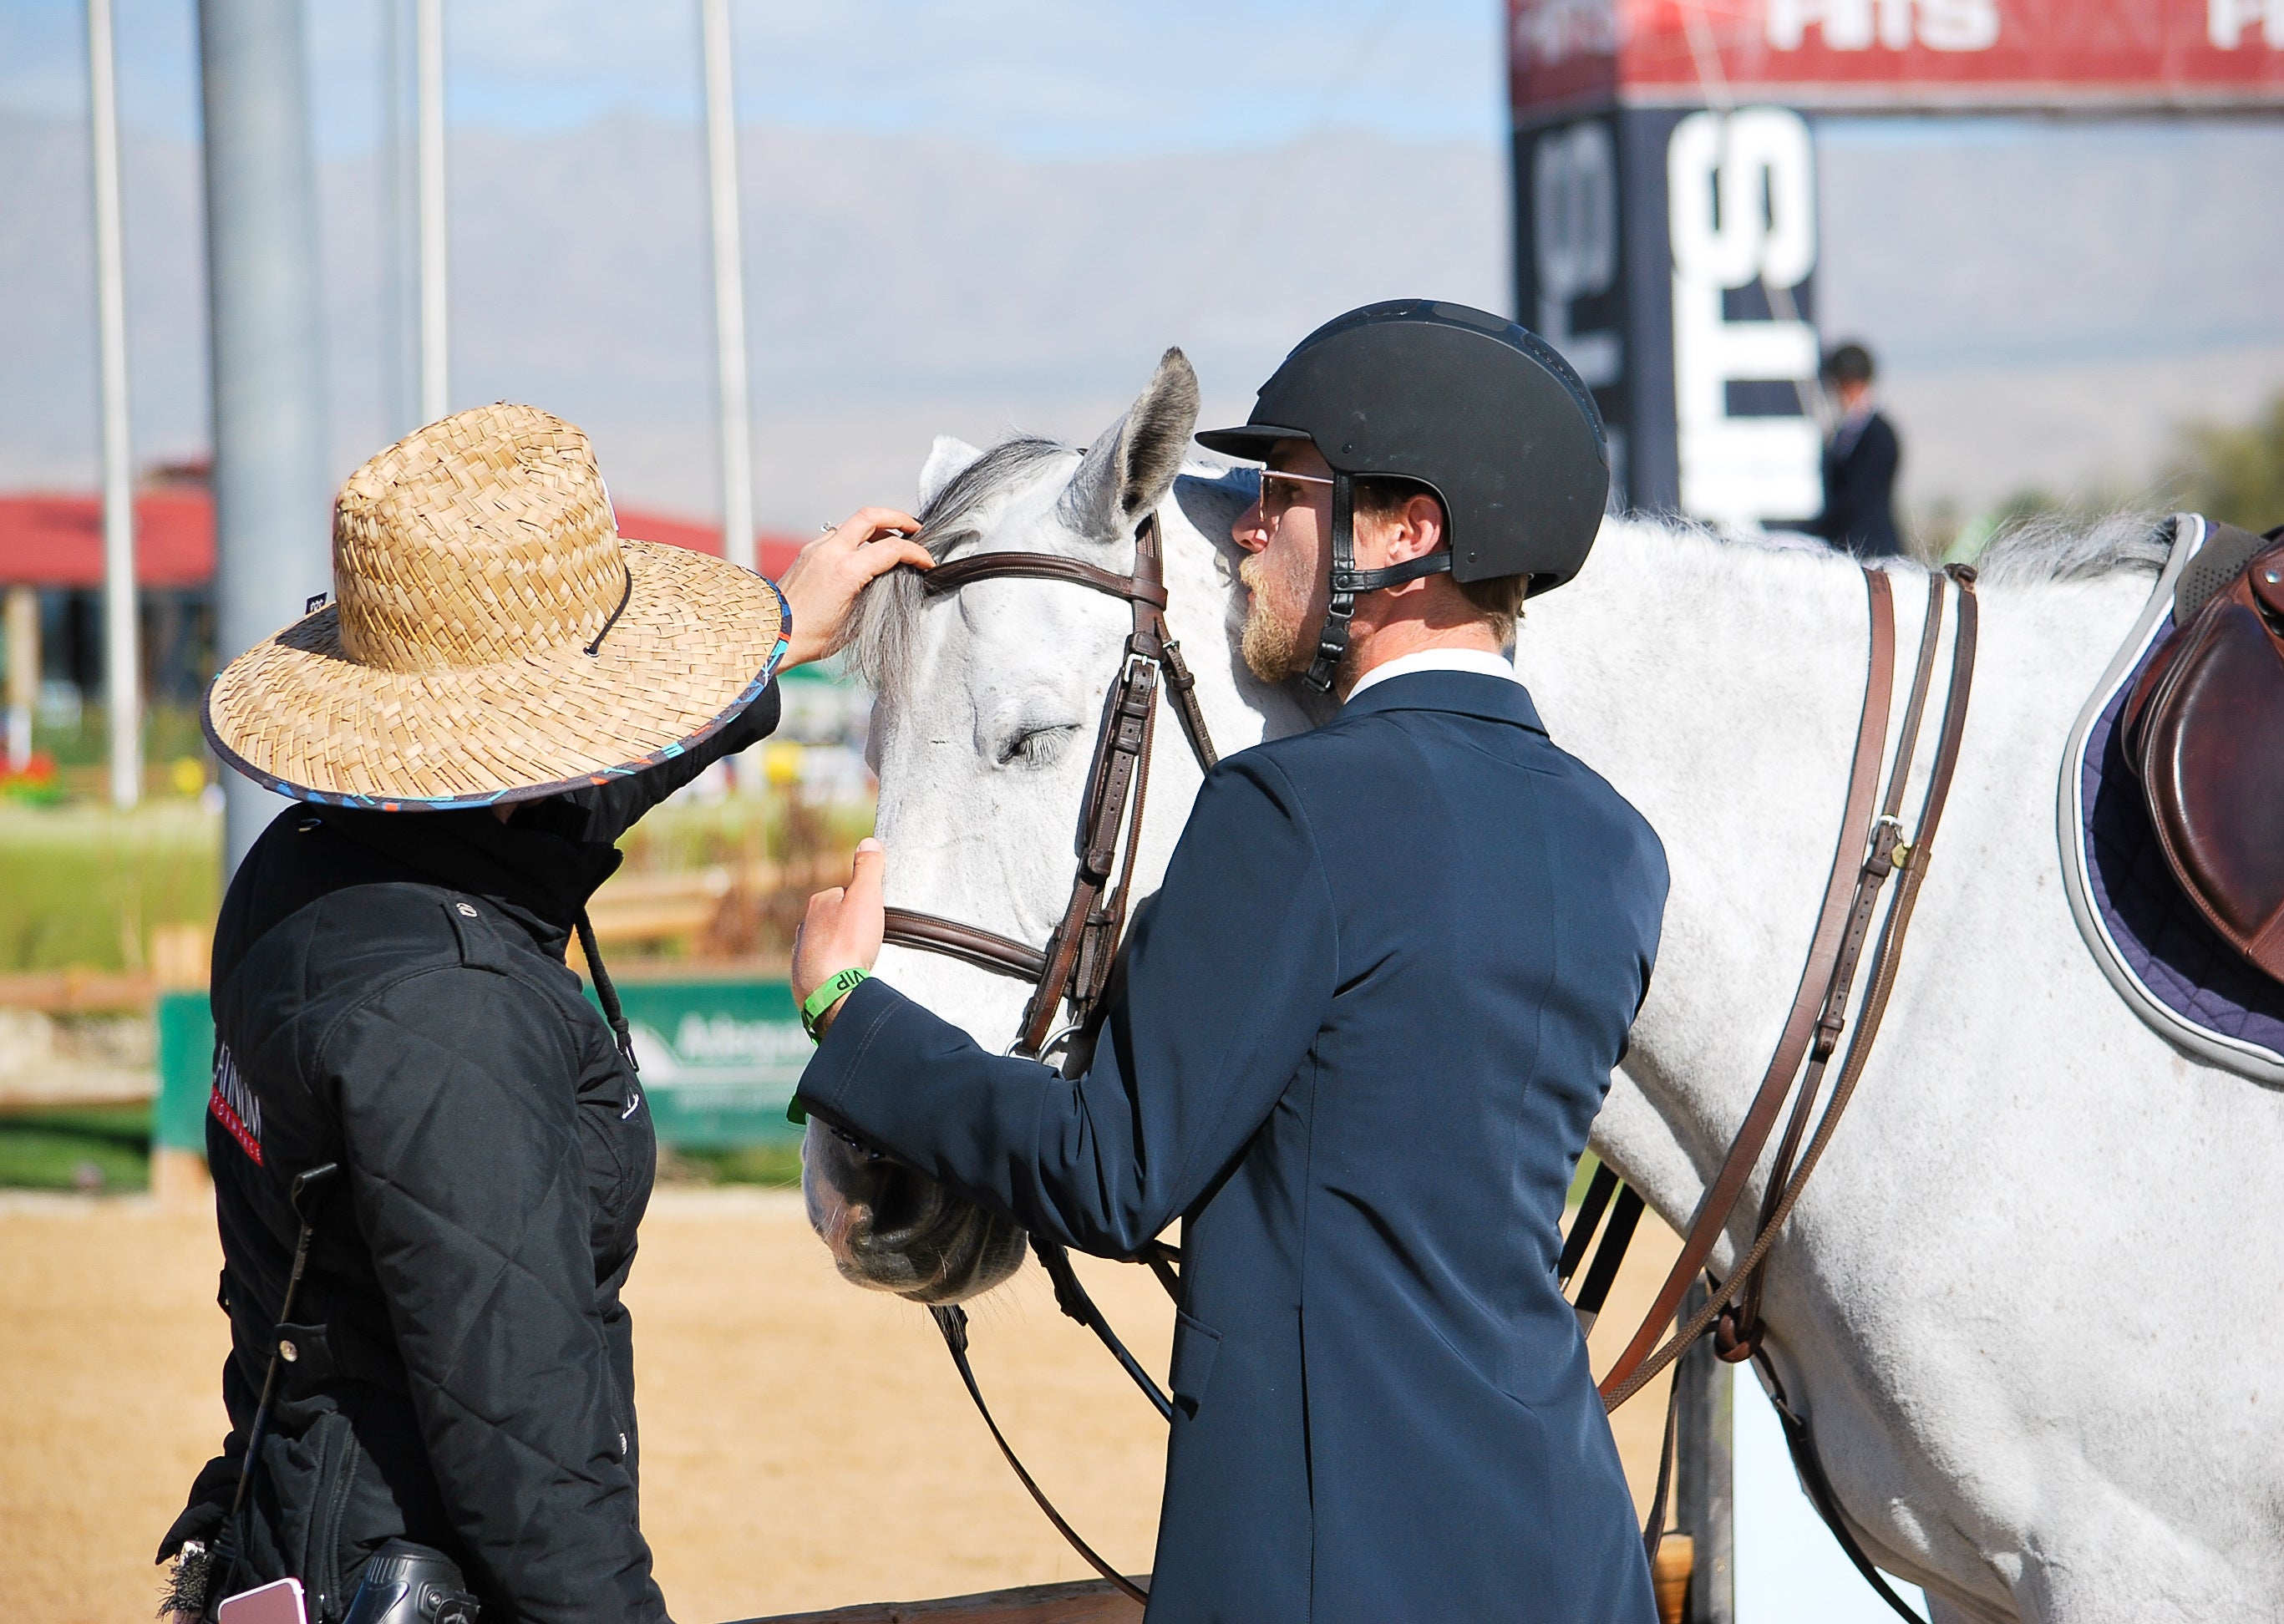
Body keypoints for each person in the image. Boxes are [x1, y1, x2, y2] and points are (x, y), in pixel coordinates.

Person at [789, 302, 1669, 1621]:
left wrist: (849, 1013)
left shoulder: (1286, 812)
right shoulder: (1617, 847)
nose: (1242, 527)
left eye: (1283, 492)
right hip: (1566, 1548)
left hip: (1323, 1563)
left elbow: (1109, 1169)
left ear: (1406, 532)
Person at [158, 403, 928, 1623]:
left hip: (303, 1516)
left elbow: (534, 815)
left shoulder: (311, 868)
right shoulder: (452, 1015)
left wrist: (768, 651)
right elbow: (526, 1459)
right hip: (421, 1569)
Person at [1811, 340, 1904, 558]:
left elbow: (1858, 496)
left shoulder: (1879, 435)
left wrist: (1819, 528)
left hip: (1872, 548)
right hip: (1844, 545)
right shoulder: (1841, 434)